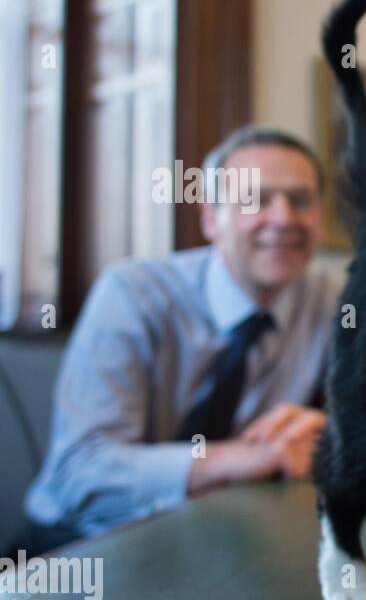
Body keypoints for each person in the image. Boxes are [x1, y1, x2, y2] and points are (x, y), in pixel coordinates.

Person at [22, 126, 341, 552]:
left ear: (320, 219)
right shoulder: (134, 293)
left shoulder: (333, 303)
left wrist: (334, 435)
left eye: (300, 200)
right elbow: (80, 470)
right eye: (254, 199)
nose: (283, 218)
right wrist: (240, 458)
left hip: (214, 541)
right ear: (210, 218)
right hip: (80, 542)